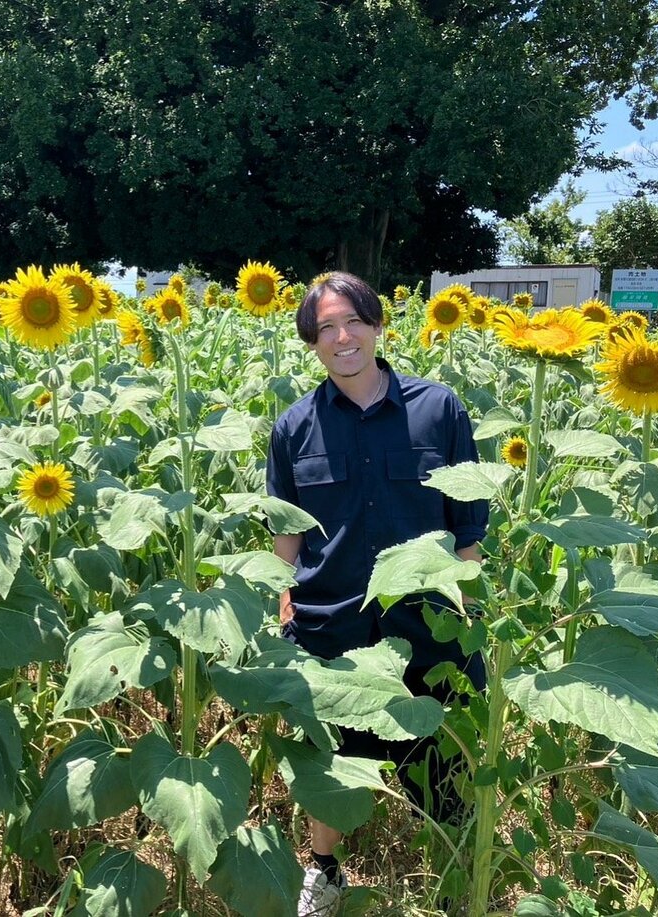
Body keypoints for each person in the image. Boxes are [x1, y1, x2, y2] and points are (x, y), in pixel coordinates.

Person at [266, 272, 488, 915]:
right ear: (313, 342)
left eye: (353, 322)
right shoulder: (295, 427)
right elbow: (287, 533)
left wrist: (471, 613)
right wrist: (280, 607)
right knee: (331, 764)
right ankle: (325, 871)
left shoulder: (438, 409)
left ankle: (447, 873)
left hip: (429, 620)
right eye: (326, 329)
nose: (343, 338)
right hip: (333, 621)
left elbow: (467, 525)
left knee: (441, 754)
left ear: (377, 326)